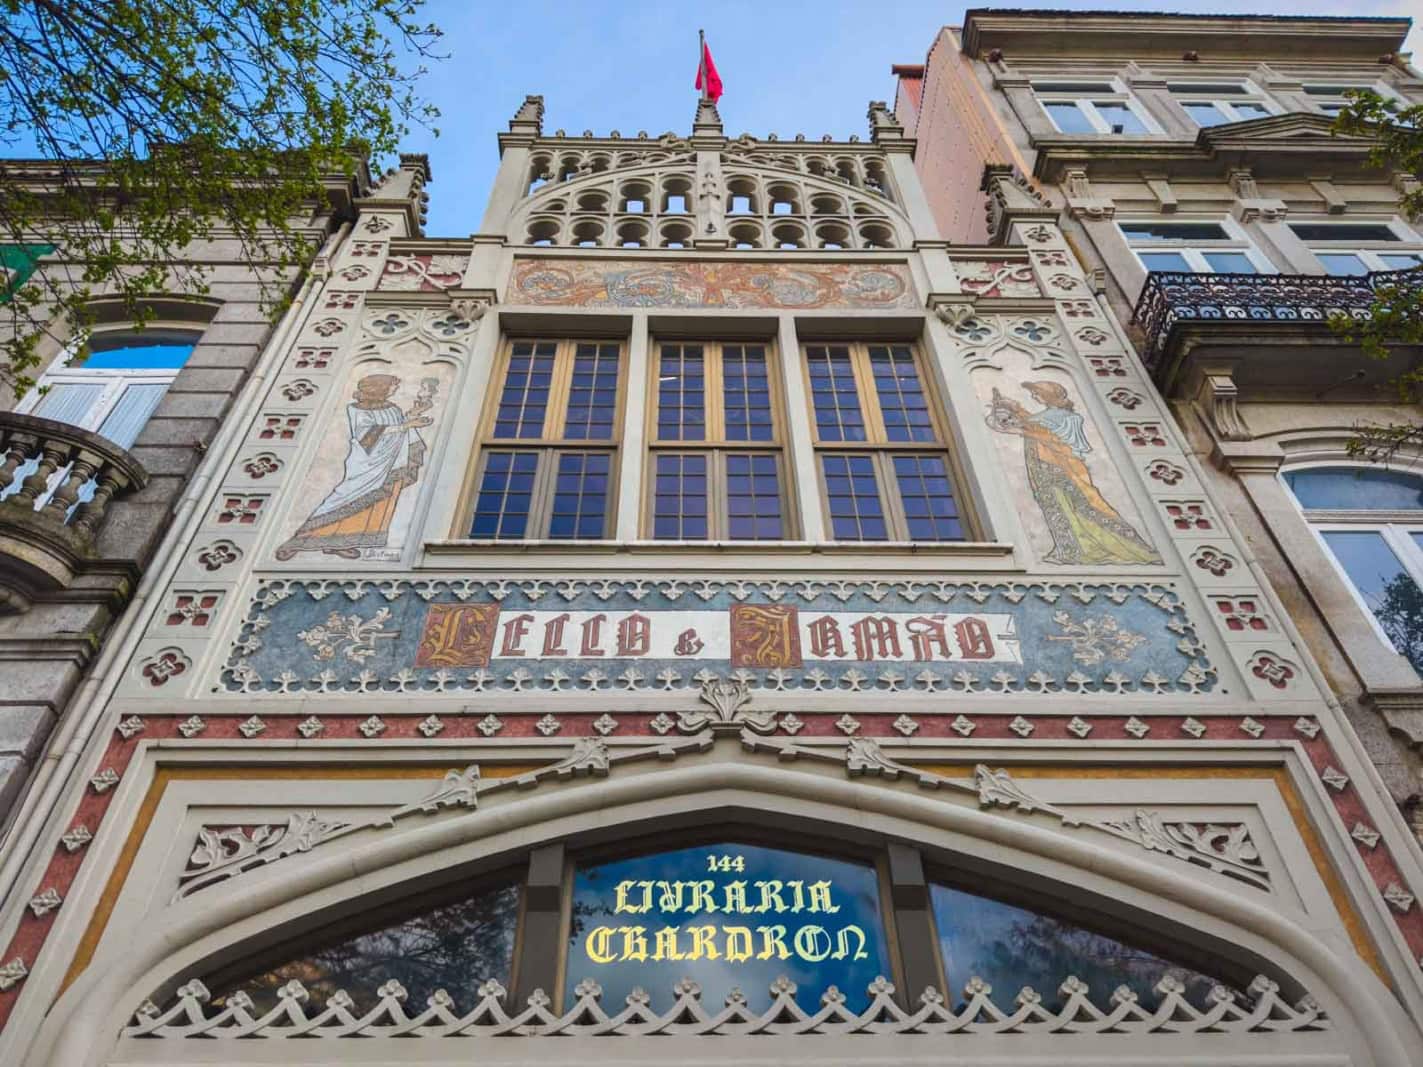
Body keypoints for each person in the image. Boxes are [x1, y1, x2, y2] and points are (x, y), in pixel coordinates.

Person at [987, 380, 1159, 566]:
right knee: (1057, 508)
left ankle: (1118, 547)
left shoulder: (1065, 417)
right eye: (1034, 393)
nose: (1034, 396)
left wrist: (1019, 418)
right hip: (1045, 471)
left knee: (1082, 506)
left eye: (1037, 393)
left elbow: (1056, 440)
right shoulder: (1047, 415)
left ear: (1048, 396)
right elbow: (1033, 425)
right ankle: (1069, 548)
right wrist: (1014, 411)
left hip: (1063, 470)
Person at [275, 374, 434, 559]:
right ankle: (301, 540)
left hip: (393, 461)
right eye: (392, 387)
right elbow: (367, 435)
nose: (395, 390)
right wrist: (407, 425)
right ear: (378, 389)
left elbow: (398, 424)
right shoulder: (357, 410)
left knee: (382, 500)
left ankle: (343, 542)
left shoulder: (393, 407)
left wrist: (415, 414)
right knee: (346, 497)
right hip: (367, 463)